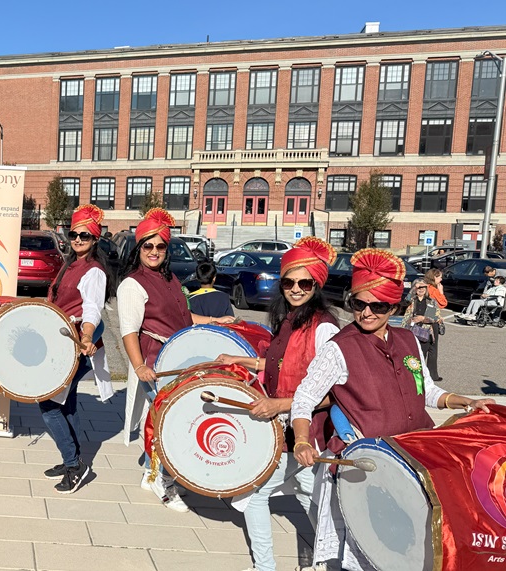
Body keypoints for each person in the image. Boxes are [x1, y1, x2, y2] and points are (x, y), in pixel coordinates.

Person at [290, 249, 495, 570]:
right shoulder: (338, 349)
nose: (367, 313)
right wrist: (302, 440)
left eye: (378, 305)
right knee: (366, 556)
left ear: (395, 306)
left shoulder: (408, 341)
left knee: (411, 553)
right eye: (358, 304)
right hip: (366, 470)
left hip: (414, 464)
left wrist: (466, 401)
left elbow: (427, 391)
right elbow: (304, 398)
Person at [216, 236, 340, 571]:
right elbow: (280, 363)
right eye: (289, 281)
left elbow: (332, 393)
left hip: (308, 430)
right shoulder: (290, 318)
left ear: (316, 284)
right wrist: (240, 359)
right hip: (288, 432)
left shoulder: (323, 328)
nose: (295, 288)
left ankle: (267, 566)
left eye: (304, 283)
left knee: (253, 494)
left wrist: (278, 406)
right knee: (307, 494)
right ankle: (334, 556)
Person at [118, 209, 203, 511]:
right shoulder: (132, 284)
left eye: (160, 246)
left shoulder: (169, 278)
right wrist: (140, 366)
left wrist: (213, 320)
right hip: (156, 365)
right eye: (148, 246)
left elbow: (183, 316)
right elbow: (128, 330)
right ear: (138, 248)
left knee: (166, 421)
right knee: (172, 425)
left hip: (177, 361)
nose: (154, 252)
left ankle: (149, 473)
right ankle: (161, 480)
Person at [42, 204, 113, 494]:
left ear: (95, 239)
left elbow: (92, 308)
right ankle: (71, 457)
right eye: (74, 234)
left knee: (47, 404)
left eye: (85, 236)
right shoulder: (70, 264)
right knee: (65, 403)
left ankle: (74, 465)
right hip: (60, 342)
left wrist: (85, 338)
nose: (78, 240)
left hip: (76, 345)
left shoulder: (94, 271)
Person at [402, 278, 442, 381]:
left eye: (423, 287)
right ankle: (415, 374)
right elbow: (404, 302)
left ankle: (430, 375)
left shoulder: (430, 301)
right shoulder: (411, 300)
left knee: (428, 351)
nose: (421, 289)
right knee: (414, 352)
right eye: (419, 287)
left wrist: (422, 318)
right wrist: (413, 289)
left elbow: (433, 318)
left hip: (427, 329)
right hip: (412, 328)